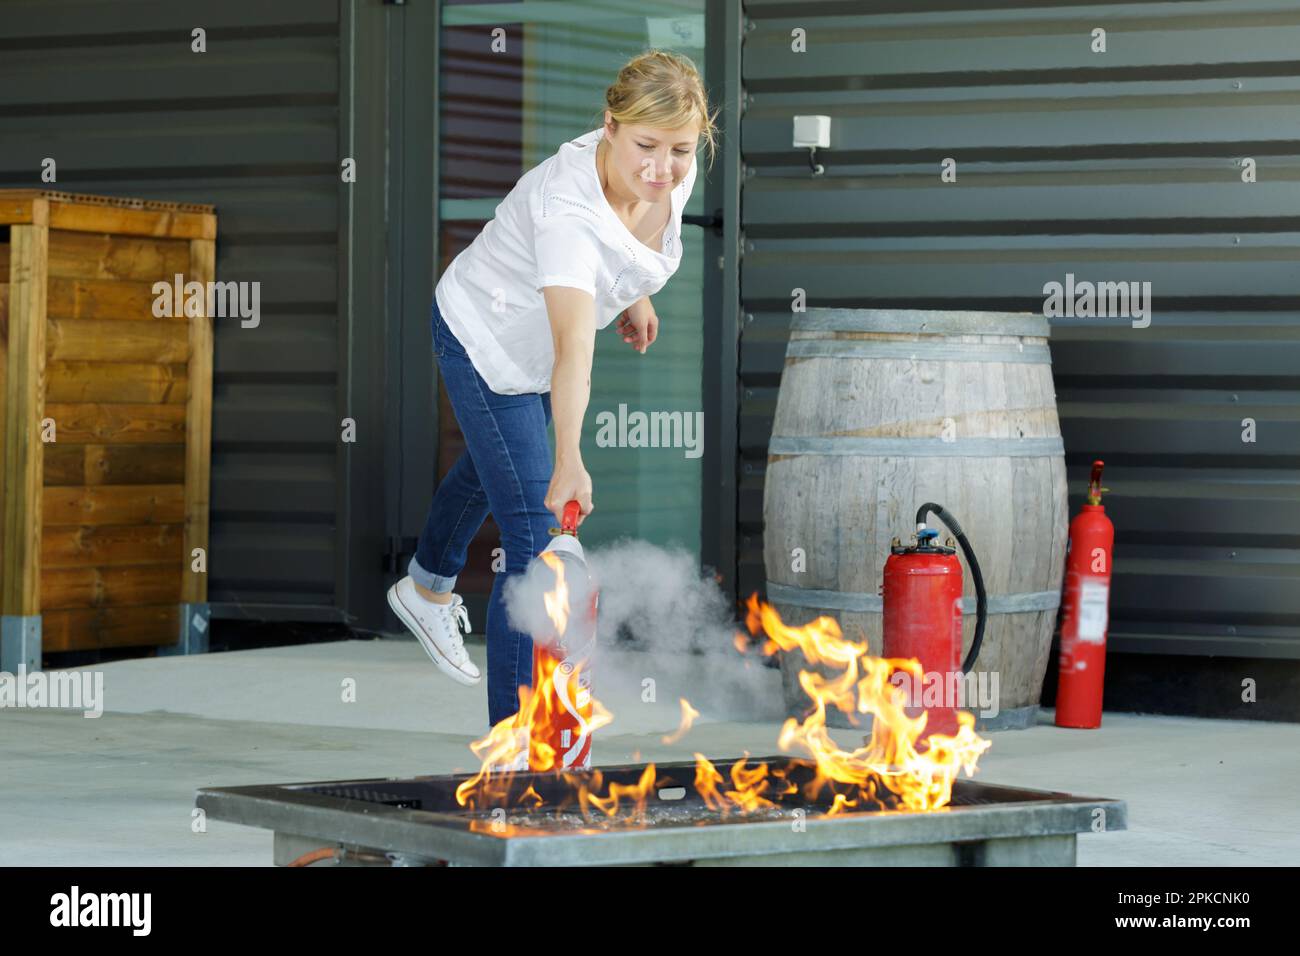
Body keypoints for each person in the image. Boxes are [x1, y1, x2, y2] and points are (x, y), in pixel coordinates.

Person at [386, 49, 720, 728]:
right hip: (488, 342)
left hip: (534, 352)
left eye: (681, 150)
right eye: (646, 147)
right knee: (536, 540)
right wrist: (569, 459)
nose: (662, 168)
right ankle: (516, 754)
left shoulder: (667, 177)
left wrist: (635, 294)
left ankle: (424, 587)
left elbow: (630, 251)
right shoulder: (568, 213)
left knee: (493, 467)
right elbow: (573, 352)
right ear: (610, 127)